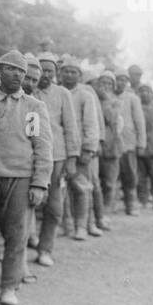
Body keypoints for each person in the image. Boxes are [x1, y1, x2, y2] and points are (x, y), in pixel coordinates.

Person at [0, 50, 53, 305]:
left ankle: (9, 286)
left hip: (20, 179)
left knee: (16, 235)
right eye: (12, 69)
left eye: (22, 71)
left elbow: (42, 146)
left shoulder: (33, 107)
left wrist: (39, 183)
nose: (18, 75)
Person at [34, 52, 79, 267]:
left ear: (56, 73)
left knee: (53, 206)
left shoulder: (62, 94)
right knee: (28, 204)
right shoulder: (28, 92)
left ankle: (45, 249)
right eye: (41, 70)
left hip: (57, 157)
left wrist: (71, 158)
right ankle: (27, 242)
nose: (45, 74)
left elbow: (70, 127)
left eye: (50, 71)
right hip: (31, 156)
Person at [59, 56, 101, 241]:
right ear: (61, 74)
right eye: (66, 71)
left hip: (79, 149)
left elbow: (91, 124)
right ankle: (66, 224)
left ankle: (83, 225)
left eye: (73, 72)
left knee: (82, 187)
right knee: (61, 189)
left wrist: (88, 149)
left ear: (79, 75)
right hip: (59, 149)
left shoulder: (85, 96)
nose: (69, 75)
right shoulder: (56, 93)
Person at [113, 67, 146, 216]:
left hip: (128, 142)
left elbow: (139, 122)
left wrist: (141, 143)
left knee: (130, 174)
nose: (120, 83)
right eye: (118, 79)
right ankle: (111, 203)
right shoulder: (108, 96)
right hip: (112, 143)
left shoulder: (133, 98)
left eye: (123, 80)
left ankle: (131, 203)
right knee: (112, 174)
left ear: (127, 82)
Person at [95, 71, 124, 213]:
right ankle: (96, 211)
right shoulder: (93, 99)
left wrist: (106, 102)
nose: (105, 86)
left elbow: (112, 120)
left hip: (111, 146)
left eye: (108, 83)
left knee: (109, 182)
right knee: (95, 181)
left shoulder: (116, 102)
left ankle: (106, 210)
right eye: (102, 83)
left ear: (113, 86)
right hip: (95, 146)